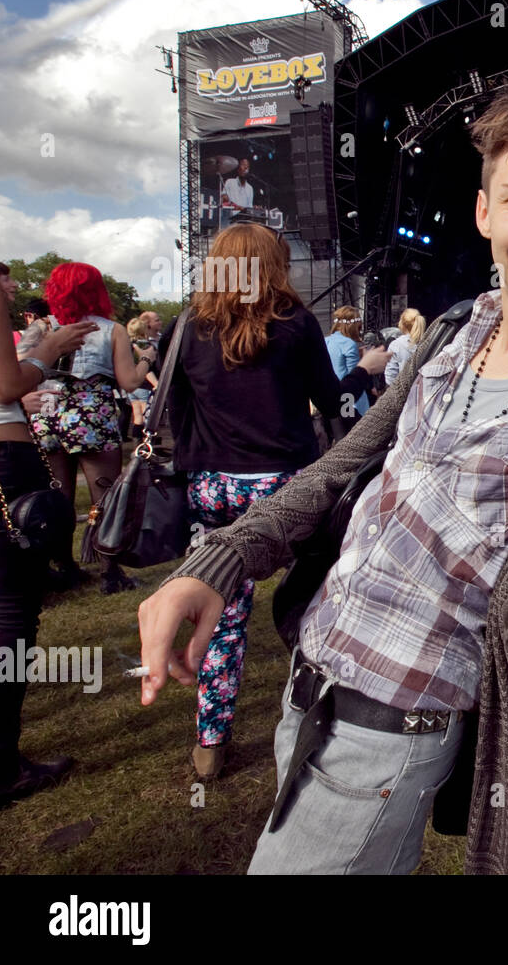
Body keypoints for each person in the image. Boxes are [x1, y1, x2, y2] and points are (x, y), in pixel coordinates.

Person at [137, 83, 508, 875]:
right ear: (484, 213)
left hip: (395, 731)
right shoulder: (452, 331)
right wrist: (223, 558)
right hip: (308, 681)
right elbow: (342, 466)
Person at [158, 222, 389, 780]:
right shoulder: (295, 325)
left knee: (224, 611)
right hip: (286, 492)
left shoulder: (187, 326)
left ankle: (210, 741)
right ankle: (327, 719)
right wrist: (367, 371)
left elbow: (174, 411)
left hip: (213, 487)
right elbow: (330, 400)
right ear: (273, 265)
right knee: (320, 601)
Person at [0, 282, 97, 806]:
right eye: (6, 278)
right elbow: (3, 383)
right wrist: (46, 353)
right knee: (11, 615)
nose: (14, 287)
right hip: (5, 465)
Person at [20, 262, 156, 593]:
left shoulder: (42, 327)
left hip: (48, 414)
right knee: (104, 494)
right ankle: (110, 571)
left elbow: (20, 368)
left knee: (58, 495)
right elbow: (128, 381)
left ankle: (64, 566)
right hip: (91, 416)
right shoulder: (111, 329)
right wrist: (147, 360)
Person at [323, 305, 369, 433]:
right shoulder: (349, 344)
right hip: (348, 399)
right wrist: (365, 361)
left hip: (328, 396)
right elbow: (354, 374)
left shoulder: (325, 341)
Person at [123, 317, 157, 443]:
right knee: (146, 416)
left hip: (132, 386)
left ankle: (136, 443)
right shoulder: (145, 346)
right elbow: (147, 369)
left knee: (137, 416)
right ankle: (145, 444)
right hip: (144, 384)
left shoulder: (128, 346)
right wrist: (157, 384)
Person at [384, 308, 426, 386]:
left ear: (402, 324)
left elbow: (390, 376)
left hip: (403, 391)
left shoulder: (396, 345)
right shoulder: (428, 342)